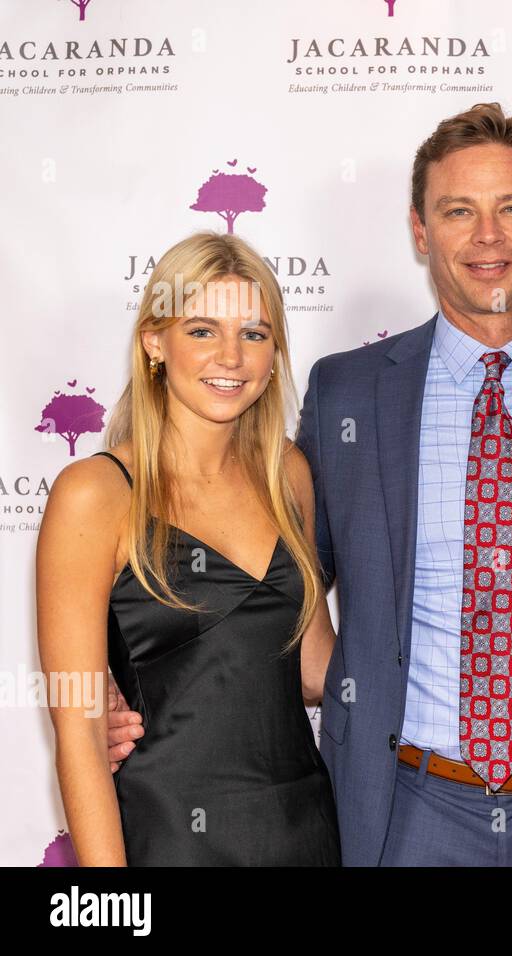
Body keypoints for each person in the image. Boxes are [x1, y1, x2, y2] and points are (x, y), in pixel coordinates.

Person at [108, 103, 512, 865]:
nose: (488, 236)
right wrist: (127, 690)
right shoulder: (350, 395)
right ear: (419, 231)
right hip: (410, 816)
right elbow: (264, 595)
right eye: (458, 211)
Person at [38, 231, 341, 866]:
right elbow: (81, 733)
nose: (231, 357)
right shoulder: (95, 494)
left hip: (303, 830)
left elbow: (316, 669)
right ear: (155, 342)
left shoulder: (288, 473)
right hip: (169, 838)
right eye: (202, 330)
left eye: (255, 334)